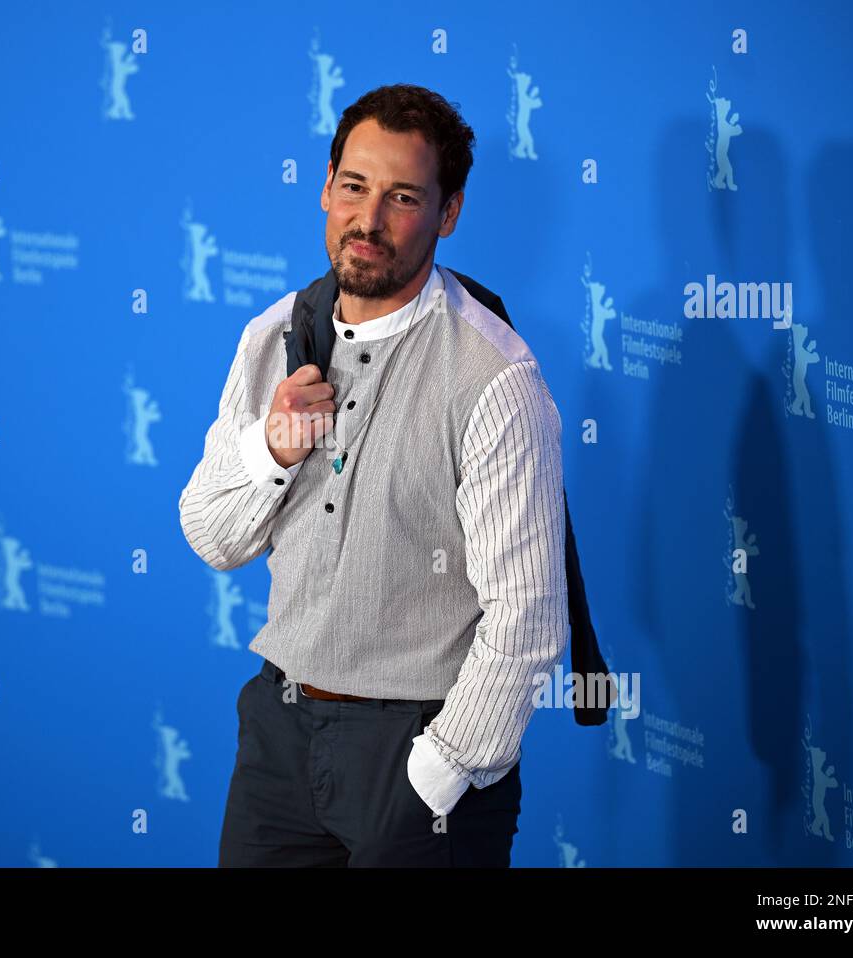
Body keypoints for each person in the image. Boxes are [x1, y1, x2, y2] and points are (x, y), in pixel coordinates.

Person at [179, 84, 569, 867]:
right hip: (278, 741)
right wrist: (274, 448)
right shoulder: (273, 336)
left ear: (447, 213)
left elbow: (526, 620)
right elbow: (212, 536)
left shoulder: (493, 376)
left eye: (401, 197)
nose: (368, 220)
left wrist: (440, 771)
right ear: (326, 188)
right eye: (354, 188)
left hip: (420, 751)